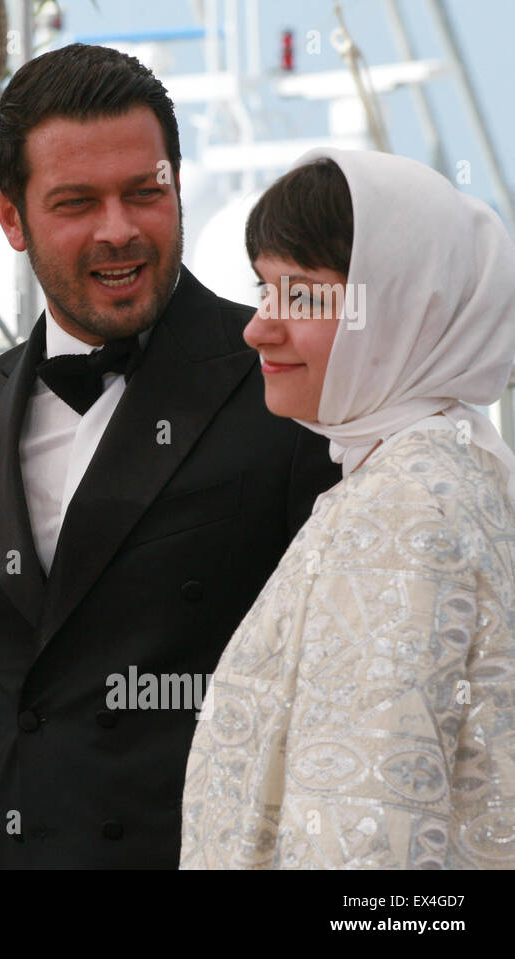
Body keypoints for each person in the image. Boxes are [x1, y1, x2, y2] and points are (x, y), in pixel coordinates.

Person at [0, 43, 342, 868]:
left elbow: (339, 699)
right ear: (10, 217)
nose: (120, 229)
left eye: (146, 191)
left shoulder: (285, 388)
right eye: (76, 202)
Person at [181, 149, 515, 869]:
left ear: (403, 306)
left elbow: (368, 827)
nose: (258, 327)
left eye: (302, 297)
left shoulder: (406, 510)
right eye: (264, 289)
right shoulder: (442, 472)